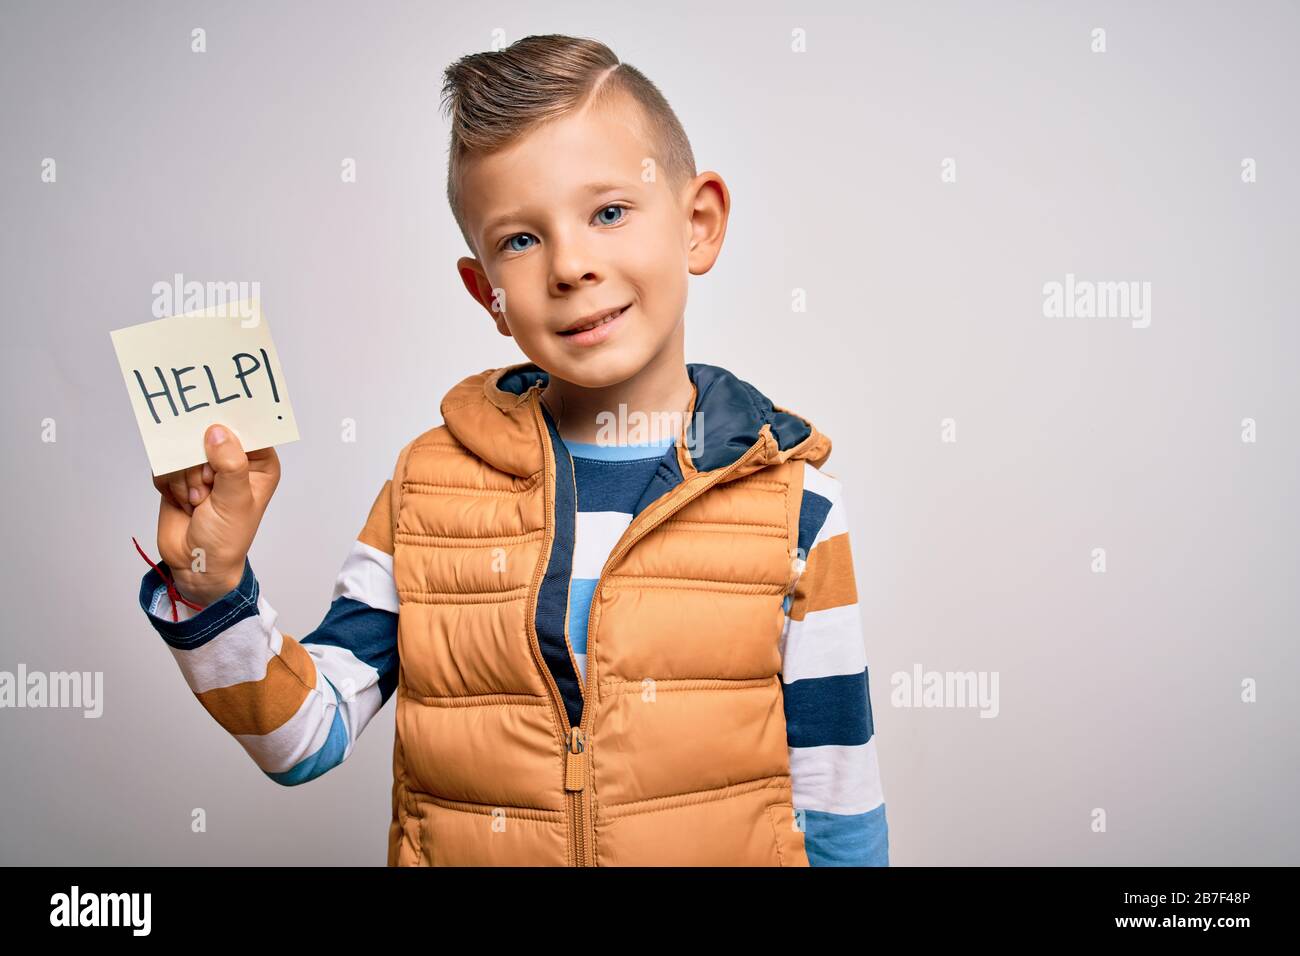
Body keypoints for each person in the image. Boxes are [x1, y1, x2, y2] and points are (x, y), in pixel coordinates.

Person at [137, 34, 888, 867]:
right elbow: (303, 739)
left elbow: (838, 808)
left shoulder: (797, 508)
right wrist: (209, 591)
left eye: (608, 212)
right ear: (485, 292)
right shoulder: (426, 490)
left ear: (698, 224)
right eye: (521, 241)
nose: (570, 266)